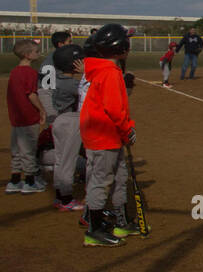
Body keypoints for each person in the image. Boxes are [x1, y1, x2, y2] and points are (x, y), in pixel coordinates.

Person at [79, 24, 139, 246]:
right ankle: (94, 230)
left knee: (119, 178)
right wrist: (127, 130)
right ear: (119, 46)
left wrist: (125, 129)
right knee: (101, 181)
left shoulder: (107, 70)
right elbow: (114, 110)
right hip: (103, 135)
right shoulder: (109, 73)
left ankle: (121, 223)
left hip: (110, 134)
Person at [49, 43, 86, 212]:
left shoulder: (58, 79)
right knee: (68, 162)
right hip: (70, 123)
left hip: (59, 122)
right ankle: (66, 199)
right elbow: (89, 90)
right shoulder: (71, 84)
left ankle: (60, 196)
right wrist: (86, 73)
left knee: (61, 160)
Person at [6, 39, 46, 194]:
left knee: (16, 149)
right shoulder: (30, 72)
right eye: (36, 51)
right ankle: (30, 181)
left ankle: (14, 180)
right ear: (27, 55)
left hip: (16, 118)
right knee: (29, 150)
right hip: (28, 117)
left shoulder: (15, 71)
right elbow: (31, 94)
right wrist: (41, 110)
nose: (38, 54)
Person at [36, 31, 71, 121]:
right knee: (54, 122)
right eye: (69, 41)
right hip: (48, 92)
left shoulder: (53, 56)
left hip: (46, 90)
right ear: (60, 44)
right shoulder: (60, 57)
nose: (71, 44)